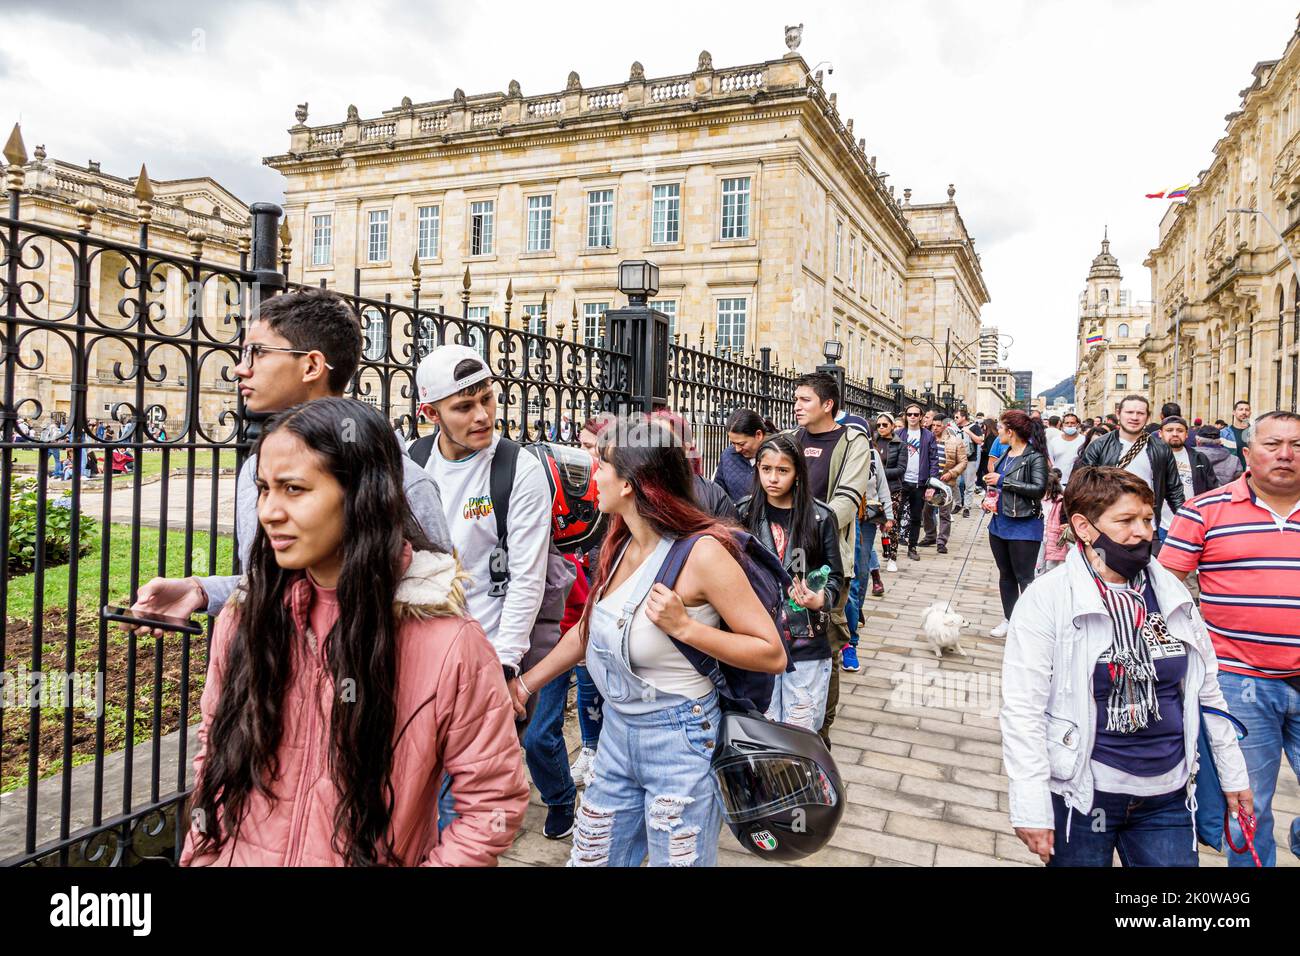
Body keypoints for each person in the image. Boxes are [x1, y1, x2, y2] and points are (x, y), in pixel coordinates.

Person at [179, 398, 529, 866]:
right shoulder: (246, 619)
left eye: (294, 489)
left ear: (363, 495)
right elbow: (213, 751)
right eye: (264, 489)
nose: (269, 511)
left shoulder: (446, 643)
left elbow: (493, 803)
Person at [513, 416, 786, 867]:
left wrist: (687, 629)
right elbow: (588, 630)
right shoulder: (618, 543)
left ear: (631, 484)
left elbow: (770, 652)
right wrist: (524, 686)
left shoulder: (702, 554)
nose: (592, 474)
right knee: (593, 859)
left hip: (681, 740)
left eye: (601, 465)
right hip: (618, 736)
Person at [131, 289, 452, 627]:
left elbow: (436, 604)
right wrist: (201, 591)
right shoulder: (256, 469)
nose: (241, 369)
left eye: (257, 352)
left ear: (312, 365)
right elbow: (270, 586)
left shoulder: (405, 481)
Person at [1001, 466, 1251, 867]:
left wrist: (1233, 775)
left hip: (1168, 794)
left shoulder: (1172, 592)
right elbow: (1023, 708)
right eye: (1126, 521)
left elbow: (1208, 691)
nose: (1143, 532)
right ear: (1084, 527)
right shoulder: (1047, 599)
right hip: (1085, 795)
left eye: (1148, 519)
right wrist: (1030, 803)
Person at [413, 343, 561, 833]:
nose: (483, 416)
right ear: (430, 412)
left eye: (488, 400)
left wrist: (504, 666)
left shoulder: (518, 469)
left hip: (486, 656)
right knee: (416, 792)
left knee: (464, 801)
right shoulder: (410, 463)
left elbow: (526, 578)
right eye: (464, 407)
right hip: (420, 655)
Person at [1159, 411, 1300, 866]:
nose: (1285, 454)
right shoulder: (1204, 510)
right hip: (1240, 683)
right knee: (1247, 807)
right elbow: (1165, 588)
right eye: (1272, 444)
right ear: (1246, 452)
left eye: (1296, 445)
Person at [790, 372, 876, 742]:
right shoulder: (790, 440)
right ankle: (790, 717)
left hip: (827, 557)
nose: (797, 405)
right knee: (790, 629)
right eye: (796, 399)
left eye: (805, 399)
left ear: (828, 404)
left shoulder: (852, 441)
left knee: (826, 638)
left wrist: (812, 528)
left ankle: (821, 731)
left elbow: (848, 497)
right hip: (789, 551)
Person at [738, 434, 844, 729]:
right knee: (764, 729)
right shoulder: (745, 512)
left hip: (805, 640)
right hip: (758, 637)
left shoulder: (821, 517)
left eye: (782, 470)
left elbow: (835, 574)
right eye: (766, 469)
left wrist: (821, 598)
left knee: (800, 730)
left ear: (797, 472)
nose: (773, 478)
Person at [567, 413, 616, 787]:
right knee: (583, 672)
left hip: (606, 592)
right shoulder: (576, 481)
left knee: (598, 676)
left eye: (588, 447)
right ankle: (589, 746)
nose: (581, 454)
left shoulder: (614, 487)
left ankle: (601, 747)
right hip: (578, 588)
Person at [1078, 395, 1184, 550]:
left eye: (1140, 413)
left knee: (1145, 572)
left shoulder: (1161, 449)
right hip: (1106, 527)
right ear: (1119, 413)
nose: (1134, 417)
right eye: (1129, 412)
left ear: (1147, 417)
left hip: (1147, 527)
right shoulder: (1099, 446)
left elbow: (1174, 490)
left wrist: (1186, 521)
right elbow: (1082, 486)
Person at [983, 410, 1047, 638]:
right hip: (1000, 522)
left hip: (1024, 524)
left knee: (1025, 577)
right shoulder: (1005, 454)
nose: (997, 431)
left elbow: (1039, 489)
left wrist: (1003, 481)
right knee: (1005, 574)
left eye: (1000, 428)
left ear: (1010, 432)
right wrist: (990, 497)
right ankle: (1009, 618)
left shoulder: (1034, 457)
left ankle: (1029, 622)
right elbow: (999, 486)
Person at [650, 409, 739, 523]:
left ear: (686, 447)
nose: (656, 446)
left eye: (666, 440)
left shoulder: (713, 495)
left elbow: (732, 537)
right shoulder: (632, 493)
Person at [1157, 416, 1215, 543]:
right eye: (1169, 430)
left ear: (1187, 434)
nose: (1175, 434)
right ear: (1160, 433)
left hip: (1193, 524)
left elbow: (1212, 489)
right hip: (1161, 526)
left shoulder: (1199, 458)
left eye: (1180, 430)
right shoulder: (1152, 458)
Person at [895, 403, 940, 561]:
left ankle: (912, 547)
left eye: (915, 414)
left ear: (921, 417)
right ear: (905, 417)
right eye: (909, 414)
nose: (912, 417)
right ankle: (892, 547)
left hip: (919, 483)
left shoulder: (928, 435)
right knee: (895, 515)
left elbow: (934, 461)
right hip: (901, 481)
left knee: (915, 517)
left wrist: (932, 485)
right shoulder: (899, 434)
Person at [920, 415, 966, 555]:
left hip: (946, 482)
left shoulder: (955, 441)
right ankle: (930, 536)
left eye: (938, 425)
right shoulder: (927, 438)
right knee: (926, 511)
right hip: (930, 482)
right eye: (933, 425)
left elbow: (963, 462)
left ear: (945, 426)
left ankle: (942, 541)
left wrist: (951, 473)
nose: (935, 428)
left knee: (944, 513)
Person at [714, 408, 775, 503]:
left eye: (742, 444)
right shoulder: (728, 455)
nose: (737, 449)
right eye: (734, 443)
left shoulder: (779, 454)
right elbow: (717, 492)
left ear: (758, 435)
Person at [873, 413, 905, 573]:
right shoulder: (873, 442)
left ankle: (893, 557)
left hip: (893, 489)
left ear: (892, 426)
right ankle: (880, 552)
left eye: (885, 425)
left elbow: (901, 469)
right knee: (874, 523)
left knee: (890, 524)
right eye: (878, 425)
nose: (881, 428)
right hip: (874, 490)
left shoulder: (899, 444)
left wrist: (880, 472)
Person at [1036, 468, 1067, 576]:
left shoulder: (1061, 502)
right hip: (1039, 537)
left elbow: (1064, 521)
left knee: (1051, 569)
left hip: (1054, 539)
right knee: (1038, 568)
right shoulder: (1038, 499)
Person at [956, 408, 984, 517]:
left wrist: (968, 432)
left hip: (970, 459)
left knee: (969, 485)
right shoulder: (955, 427)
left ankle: (966, 507)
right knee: (955, 484)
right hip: (956, 459)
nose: (955, 419)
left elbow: (980, 441)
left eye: (957, 417)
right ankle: (958, 503)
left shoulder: (974, 427)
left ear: (964, 417)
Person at [1047, 412, 1085, 484]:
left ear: (1077, 424)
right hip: (1058, 482)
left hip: (1077, 482)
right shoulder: (1054, 441)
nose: (1069, 425)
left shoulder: (1084, 440)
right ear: (1063, 425)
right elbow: (1050, 462)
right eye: (1067, 423)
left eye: (1072, 423)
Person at [1220, 400, 1252, 472]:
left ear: (1250, 413)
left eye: (1247, 410)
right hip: (1231, 475)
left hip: (1251, 475)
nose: (1244, 412)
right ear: (1234, 412)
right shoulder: (1223, 434)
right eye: (1241, 409)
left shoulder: (1256, 433)